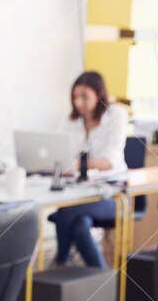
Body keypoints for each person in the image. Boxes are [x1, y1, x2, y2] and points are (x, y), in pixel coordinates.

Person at [47, 71, 129, 269]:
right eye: (75, 97)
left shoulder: (116, 115)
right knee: (80, 225)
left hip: (113, 195)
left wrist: (78, 164)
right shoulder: (71, 120)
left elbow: (110, 161)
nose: (78, 102)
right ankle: (105, 279)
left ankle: (60, 262)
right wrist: (58, 164)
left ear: (99, 95)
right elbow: (58, 150)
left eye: (84, 97)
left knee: (66, 211)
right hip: (81, 192)